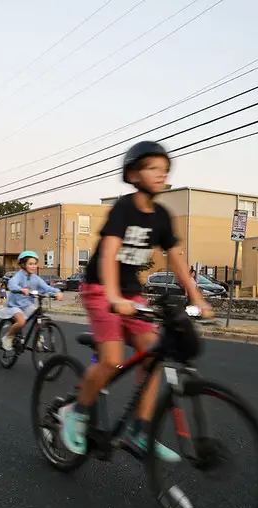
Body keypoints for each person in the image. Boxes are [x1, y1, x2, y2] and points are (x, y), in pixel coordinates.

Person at [58, 140, 213, 462]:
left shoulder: (163, 217)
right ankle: (76, 412)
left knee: (152, 352)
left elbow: (177, 260)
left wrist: (197, 297)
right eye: (152, 168)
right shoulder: (124, 209)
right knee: (112, 360)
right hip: (101, 288)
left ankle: (140, 430)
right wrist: (113, 295)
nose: (161, 174)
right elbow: (109, 253)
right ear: (133, 175)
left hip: (131, 293)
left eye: (164, 169)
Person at [0, 251, 63, 351]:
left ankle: (38, 340)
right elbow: (11, 284)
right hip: (15, 305)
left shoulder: (36, 278)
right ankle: (7, 337)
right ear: (23, 265)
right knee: (21, 322)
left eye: (35, 264)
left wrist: (57, 292)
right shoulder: (19, 276)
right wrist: (20, 289)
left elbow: (46, 287)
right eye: (30, 264)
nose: (34, 266)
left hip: (27, 305)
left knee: (39, 317)